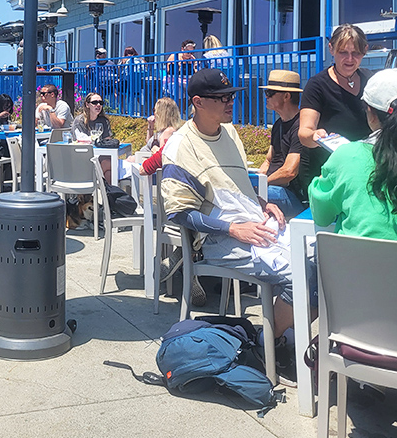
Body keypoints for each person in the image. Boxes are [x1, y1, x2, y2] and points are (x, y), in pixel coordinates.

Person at [161, 68, 295, 353]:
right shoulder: (181, 145)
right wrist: (233, 229)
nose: (230, 101)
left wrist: (262, 203)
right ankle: (265, 347)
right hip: (218, 240)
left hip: (254, 226)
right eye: (221, 97)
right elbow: (179, 213)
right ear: (198, 102)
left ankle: (275, 340)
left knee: (321, 263)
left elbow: (235, 186)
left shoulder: (231, 133)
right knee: (302, 277)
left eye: (231, 95)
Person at [308, 69, 397, 239]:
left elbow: (322, 216)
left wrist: (322, 180)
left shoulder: (345, 156)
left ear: (370, 112)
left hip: (354, 263)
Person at [299, 24, 371, 190]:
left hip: (364, 172)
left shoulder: (371, 80)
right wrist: (315, 136)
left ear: (365, 50)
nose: (350, 59)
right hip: (329, 175)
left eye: (356, 53)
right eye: (343, 52)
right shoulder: (317, 85)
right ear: (331, 49)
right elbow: (304, 132)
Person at [257, 70, 308, 218]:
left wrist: (261, 185)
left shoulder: (301, 127)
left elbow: (289, 172)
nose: (266, 96)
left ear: (286, 96)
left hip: (292, 195)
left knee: (253, 196)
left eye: (270, 93)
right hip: (274, 188)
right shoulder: (278, 124)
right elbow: (268, 160)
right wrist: (254, 182)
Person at [72, 91, 114, 182]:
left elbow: (107, 142)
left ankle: (108, 193)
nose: (98, 105)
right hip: (82, 156)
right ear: (87, 105)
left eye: (101, 103)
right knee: (109, 165)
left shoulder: (104, 121)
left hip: (99, 155)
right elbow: (77, 142)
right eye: (94, 103)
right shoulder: (80, 121)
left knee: (109, 167)